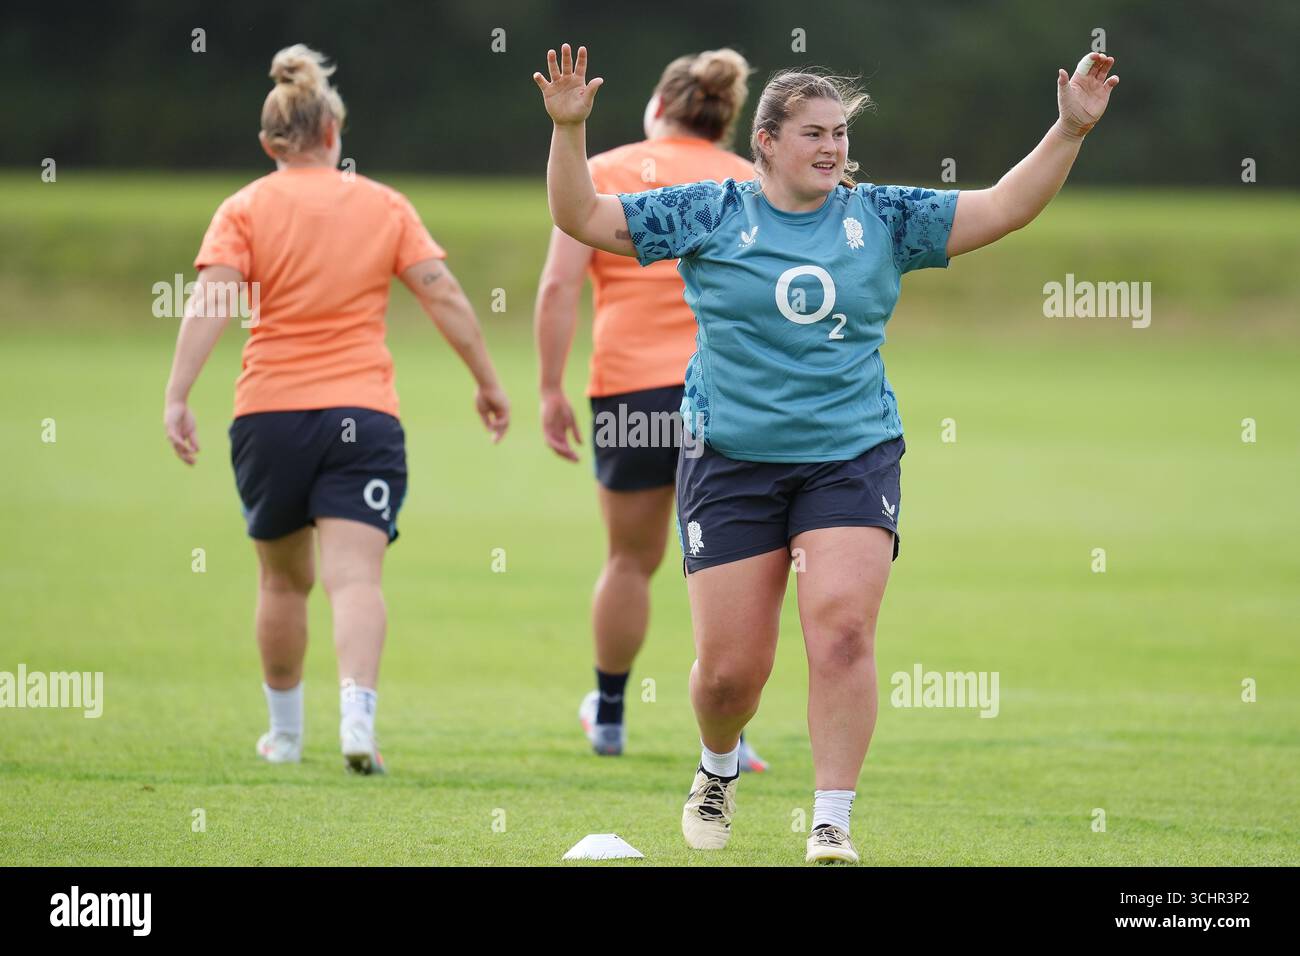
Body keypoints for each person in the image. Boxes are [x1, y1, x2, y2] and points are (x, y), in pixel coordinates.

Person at [533, 43, 1118, 862]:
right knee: (731, 674)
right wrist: (569, 130)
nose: (832, 148)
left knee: (842, 631)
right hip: (730, 458)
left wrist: (1068, 131)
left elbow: (1002, 208)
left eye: (840, 133)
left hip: (851, 454)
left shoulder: (881, 216)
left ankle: (831, 817)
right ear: (766, 141)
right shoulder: (710, 210)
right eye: (814, 133)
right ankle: (717, 763)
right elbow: (583, 218)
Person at [164, 44, 509, 775]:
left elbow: (213, 299)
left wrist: (178, 393)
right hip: (364, 415)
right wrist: (486, 380)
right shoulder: (382, 203)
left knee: (283, 581)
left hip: (270, 416)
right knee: (357, 579)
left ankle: (285, 737)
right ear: (334, 135)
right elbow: (441, 291)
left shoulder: (245, 207)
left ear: (269, 144)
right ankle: (358, 720)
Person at [533, 48, 766, 771]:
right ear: (724, 119)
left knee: (630, 561)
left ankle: (607, 714)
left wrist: (549, 388)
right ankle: (735, 732)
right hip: (729, 392)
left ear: (657, 108)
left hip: (631, 393)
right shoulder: (753, 180)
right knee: (733, 563)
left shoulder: (602, 170)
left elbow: (556, 289)